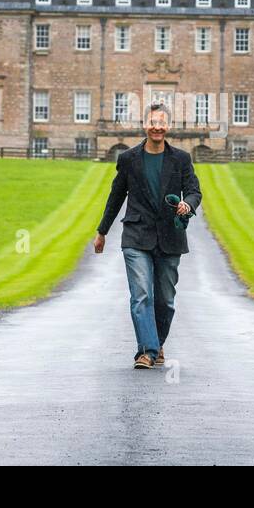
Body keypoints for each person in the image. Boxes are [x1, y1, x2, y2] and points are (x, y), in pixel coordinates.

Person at [93, 102, 202, 369]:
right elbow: (116, 195)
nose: (157, 127)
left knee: (164, 298)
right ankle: (148, 351)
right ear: (145, 125)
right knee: (141, 294)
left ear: (168, 126)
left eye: (161, 122)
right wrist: (102, 231)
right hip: (136, 235)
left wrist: (187, 204)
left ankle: (157, 344)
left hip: (170, 237)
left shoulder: (181, 159)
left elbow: (194, 191)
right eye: (152, 122)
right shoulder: (129, 158)